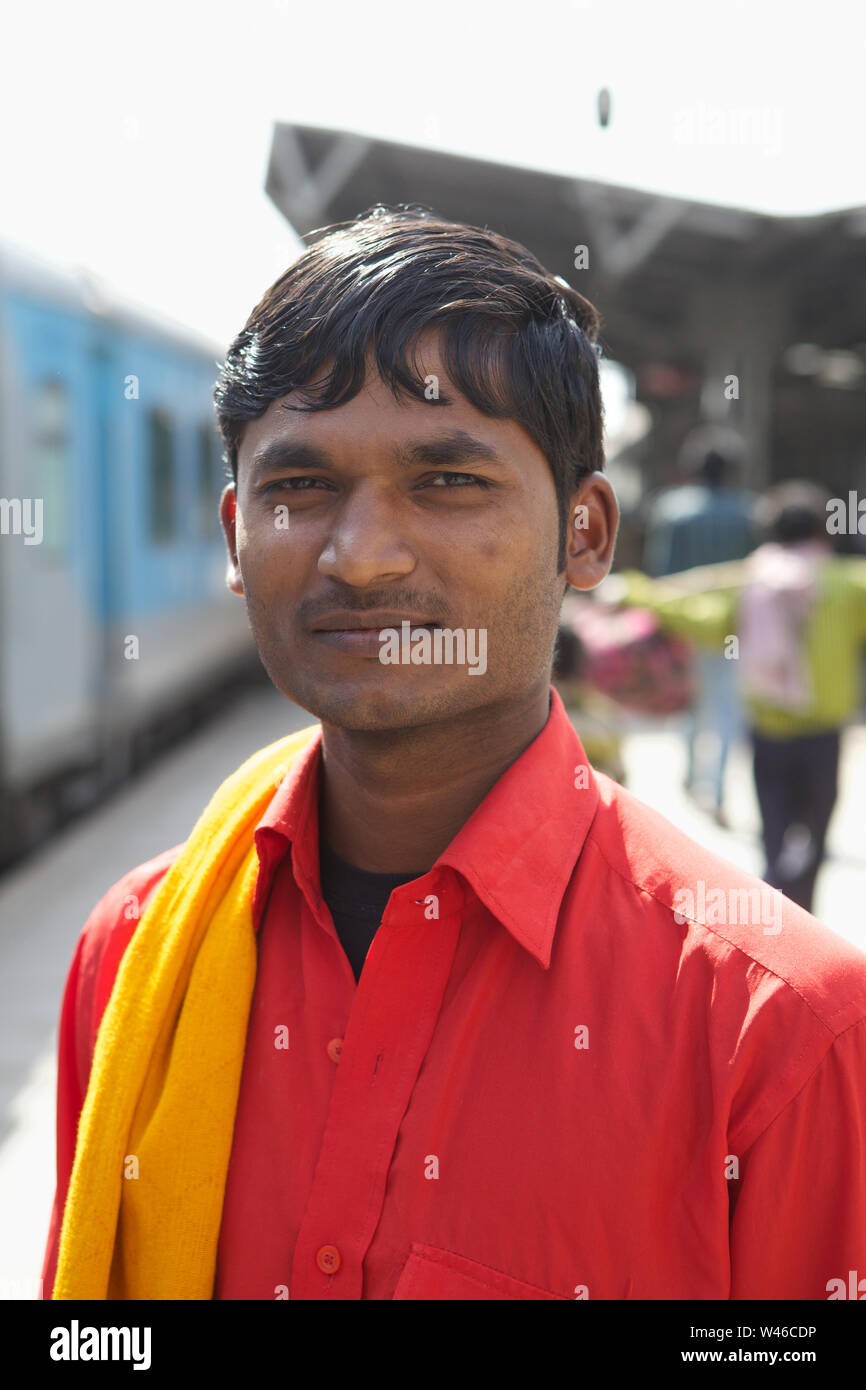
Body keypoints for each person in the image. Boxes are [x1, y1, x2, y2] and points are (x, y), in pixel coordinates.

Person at [43, 207, 866, 1301]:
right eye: (300, 487)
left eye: (447, 482)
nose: (362, 557)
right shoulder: (133, 955)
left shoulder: (778, 1036)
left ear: (584, 533)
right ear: (238, 533)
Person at [612, 480, 866, 913]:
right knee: (815, 831)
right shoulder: (847, 586)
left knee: (774, 831)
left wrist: (636, 591)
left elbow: (703, 621)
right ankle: (805, 910)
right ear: (825, 532)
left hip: (768, 733)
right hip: (823, 735)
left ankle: (781, 913)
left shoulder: (750, 583)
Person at [642, 426, 757, 823]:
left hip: (683, 623)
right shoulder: (747, 512)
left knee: (688, 702)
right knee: (725, 708)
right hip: (729, 627)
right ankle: (718, 789)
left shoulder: (674, 509)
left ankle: (690, 778)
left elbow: (661, 572)